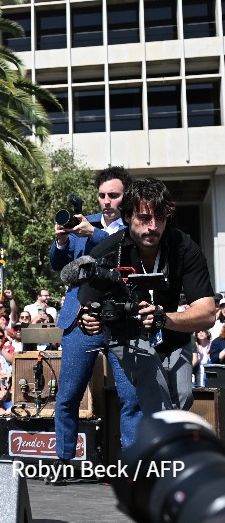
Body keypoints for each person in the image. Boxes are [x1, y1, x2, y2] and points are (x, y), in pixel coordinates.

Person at [54, 178, 216, 479]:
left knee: (182, 398)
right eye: (144, 217)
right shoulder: (109, 248)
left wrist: (162, 318)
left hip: (172, 332)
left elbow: (207, 313)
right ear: (128, 217)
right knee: (151, 394)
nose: (152, 226)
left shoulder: (184, 246)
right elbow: (87, 300)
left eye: (160, 218)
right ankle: (156, 472)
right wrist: (91, 318)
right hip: (126, 335)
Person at [51, 166, 136, 470]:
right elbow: (57, 265)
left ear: (126, 196)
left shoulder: (135, 228)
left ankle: (133, 465)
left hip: (120, 322)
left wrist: (95, 235)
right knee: (67, 396)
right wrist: (61, 240)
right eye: (102, 195)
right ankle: (63, 461)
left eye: (113, 195)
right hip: (80, 319)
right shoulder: (83, 224)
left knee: (131, 396)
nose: (106, 201)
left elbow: (128, 257)